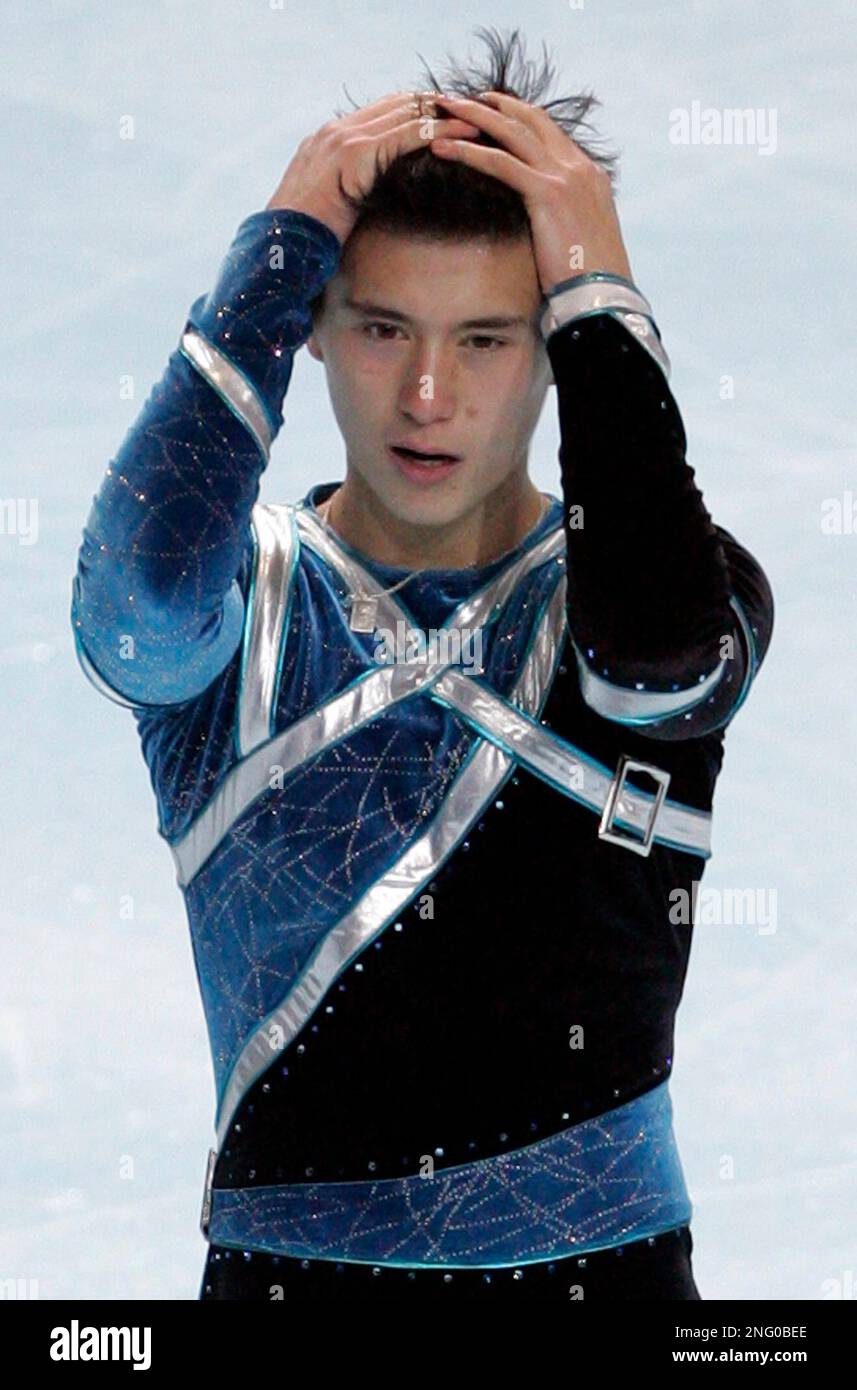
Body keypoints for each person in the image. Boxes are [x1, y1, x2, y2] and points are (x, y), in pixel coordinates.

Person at [69, 27, 774, 1301]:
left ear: (557, 350)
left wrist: (596, 287)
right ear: (319, 331)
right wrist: (283, 236)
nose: (429, 394)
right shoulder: (243, 601)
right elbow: (131, 615)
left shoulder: (666, 588)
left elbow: (657, 664)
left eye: (491, 340)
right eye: (385, 329)